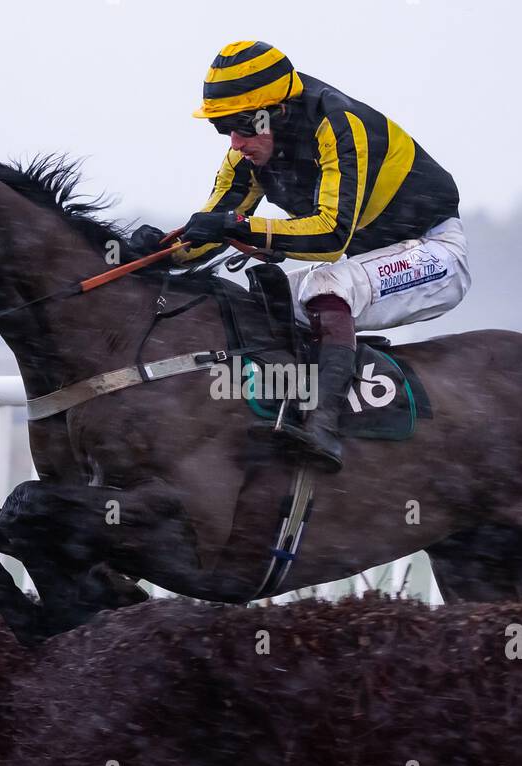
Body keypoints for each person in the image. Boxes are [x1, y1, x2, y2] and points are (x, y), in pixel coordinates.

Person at [131, 41, 469, 472]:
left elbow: (329, 235)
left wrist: (238, 226)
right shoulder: (246, 157)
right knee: (259, 298)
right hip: (366, 259)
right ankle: (284, 404)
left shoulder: (340, 127)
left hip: (434, 253)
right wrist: (159, 251)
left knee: (326, 285)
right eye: (222, 129)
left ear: (276, 113)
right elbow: (210, 231)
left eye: (240, 126)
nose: (234, 142)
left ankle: (324, 423)